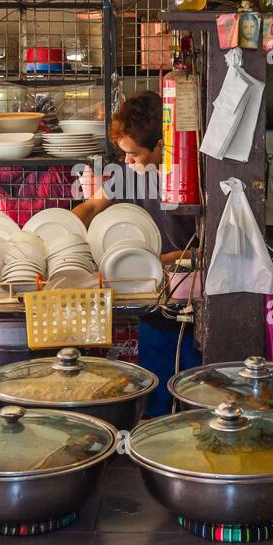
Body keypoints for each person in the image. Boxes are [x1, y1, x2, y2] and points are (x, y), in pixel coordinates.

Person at [72, 91, 199, 415]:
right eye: (123, 154)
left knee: (196, 388)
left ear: (159, 147)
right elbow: (91, 206)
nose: (126, 161)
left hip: (192, 298)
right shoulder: (125, 174)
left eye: (133, 154)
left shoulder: (193, 178)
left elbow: (205, 249)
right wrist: (59, 229)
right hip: (152, 303)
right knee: (157, 391)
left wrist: (159, 262)